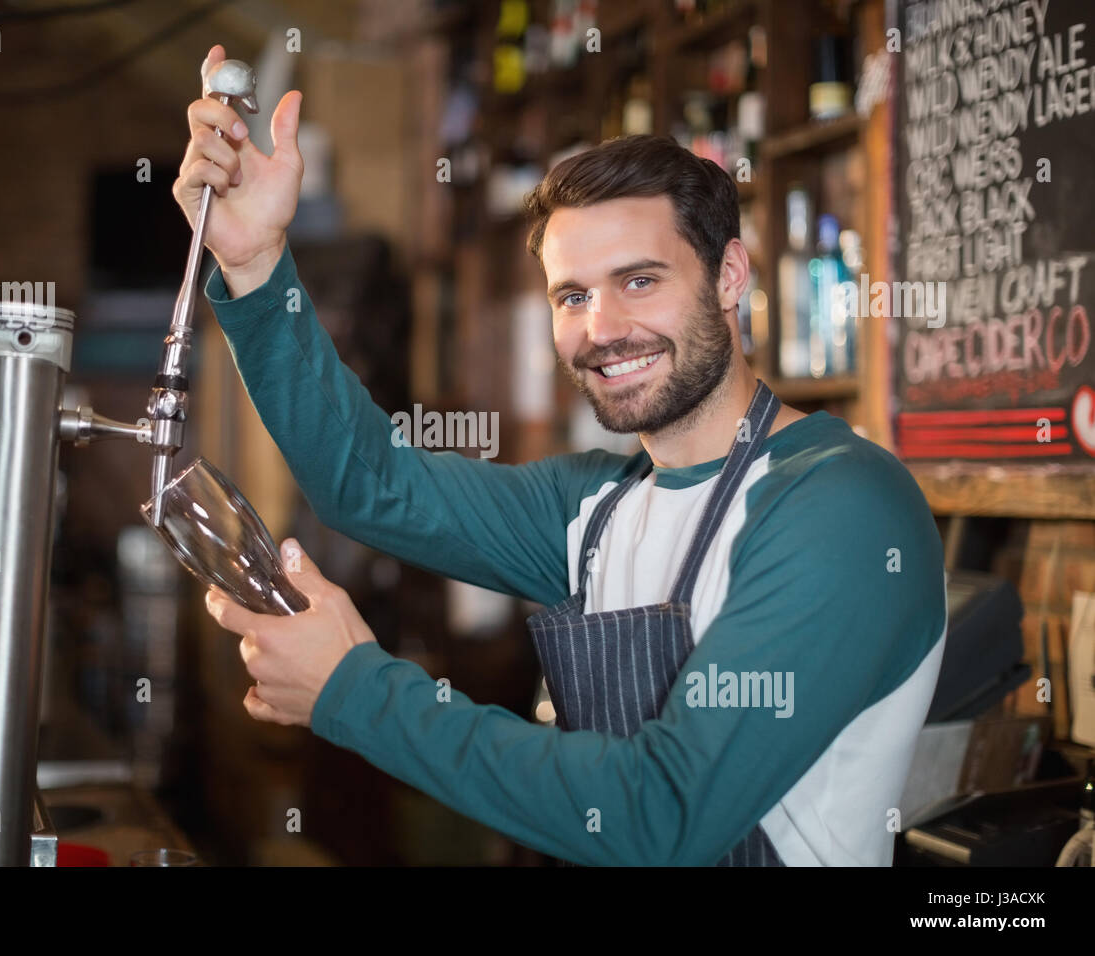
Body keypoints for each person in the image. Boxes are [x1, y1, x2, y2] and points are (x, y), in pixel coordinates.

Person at [174, 45, 948, 866]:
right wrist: (255, 266)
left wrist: (355, 692)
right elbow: (371, 485)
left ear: (729, 277)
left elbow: (663, 816)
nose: (603, 327)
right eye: (572, 296)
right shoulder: (598, 506)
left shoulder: (842, 507)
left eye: (640, 280)